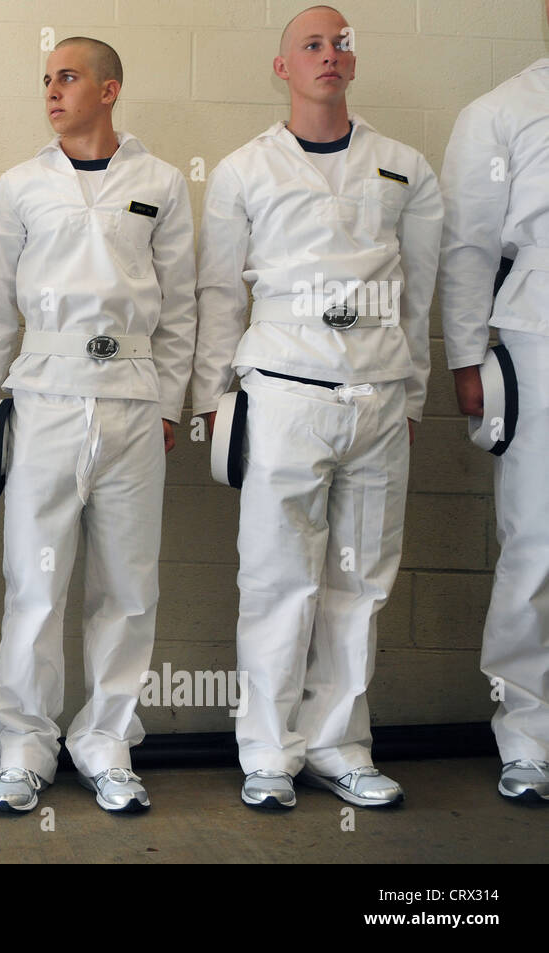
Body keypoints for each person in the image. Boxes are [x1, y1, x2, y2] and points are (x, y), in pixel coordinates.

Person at [192, 6, 441, 809]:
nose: (329, 55)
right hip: (284, 390)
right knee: (276, 576)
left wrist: (413, 391)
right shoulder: (243, 170)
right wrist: (212, 399)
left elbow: (419, 294)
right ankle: (268, 750)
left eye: (341, 44)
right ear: (283, 67)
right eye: (311, 44)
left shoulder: (404, 166)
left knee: (359, 579)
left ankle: (340, 741)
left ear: (354, 63)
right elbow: (221, 293)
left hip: (376, 391)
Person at [0, 37, 195, 815]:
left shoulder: (159, 181)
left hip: (131, 399)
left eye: (68, 77)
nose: (53, 91)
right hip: (44, 397)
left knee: (127, 589)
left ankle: (107, 744)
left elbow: (182, 306)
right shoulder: (21, 185)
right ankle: (25, 750)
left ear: (109, 88)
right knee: (34, 586)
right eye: (47, 80)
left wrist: (168, 404)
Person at [439, 4, 549, 802]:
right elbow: (470, 245)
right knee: (537, 544)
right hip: (537, 335)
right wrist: (466, 358)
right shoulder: (501, 111)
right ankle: (528, 739)